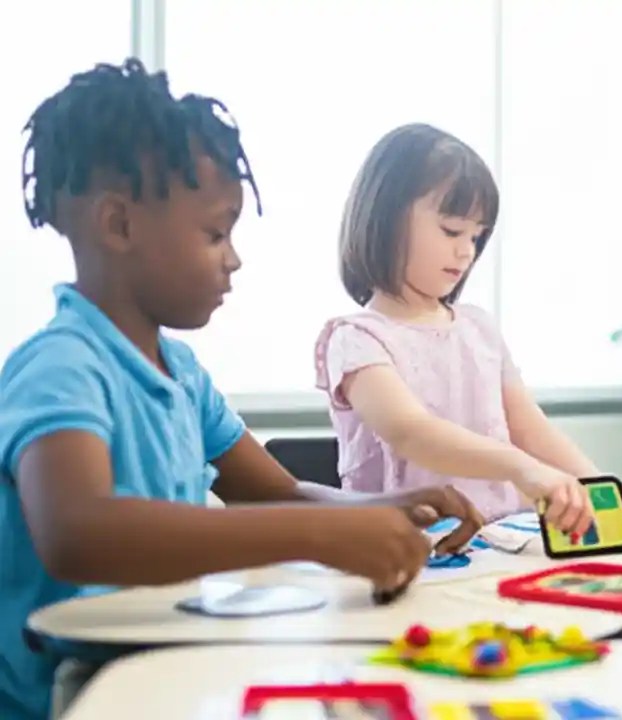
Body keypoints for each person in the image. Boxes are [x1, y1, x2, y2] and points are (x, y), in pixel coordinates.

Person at [0, 59, 486, 720]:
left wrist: (382, 508)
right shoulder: (61, 366)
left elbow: (276, 491)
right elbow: (78, 531)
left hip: (160, 668)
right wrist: (315, 535)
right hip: (73, 694)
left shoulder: (182, 373)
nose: (233, 257)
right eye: (213, 233)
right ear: (119, 225)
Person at [314, 123, 622, 536]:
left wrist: (598, 488)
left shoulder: (478, 327)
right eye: (452, 231)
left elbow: (529, 426)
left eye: (476, 237)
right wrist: (523, 468)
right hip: (406, 548)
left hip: (498, 539)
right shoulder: (356, 339)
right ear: (385, 219)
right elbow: (411, 433)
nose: (465, 251)